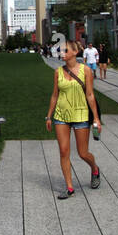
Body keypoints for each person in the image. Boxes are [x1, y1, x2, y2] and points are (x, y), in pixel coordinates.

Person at [45, 40, 102, 199]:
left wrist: (96, 118)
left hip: (81, 114)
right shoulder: (57, 72)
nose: (62, 53)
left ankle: (94, 168)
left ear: (75, 52)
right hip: (61, 115)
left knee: (83, 153)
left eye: (65, 50)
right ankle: (69, 187)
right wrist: (49, 116)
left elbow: (90, 95)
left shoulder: (86, 71)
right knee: (64, 151)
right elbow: (55, 95)